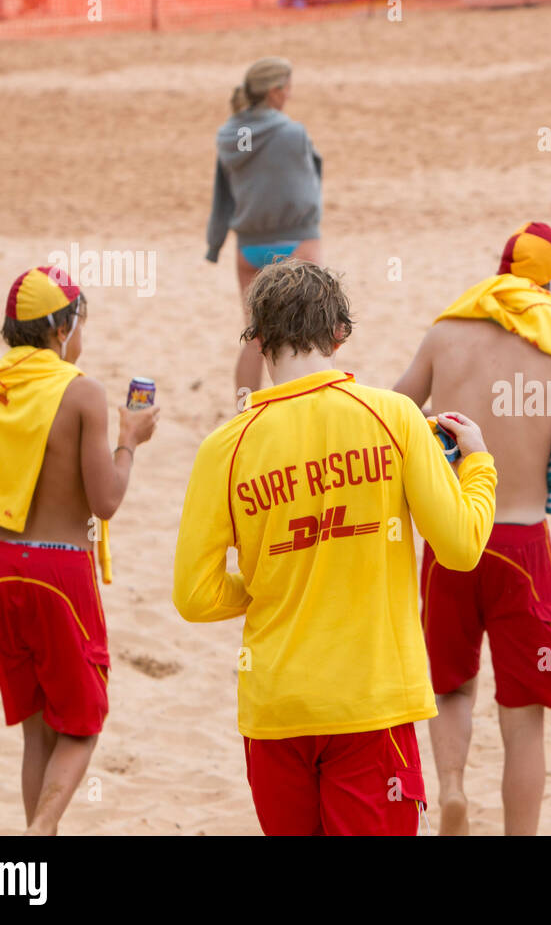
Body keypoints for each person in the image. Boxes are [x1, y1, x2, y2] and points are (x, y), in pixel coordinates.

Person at [173, 259, 497, 836]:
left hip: (276, 709)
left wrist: (269, 582)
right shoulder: (394, 416)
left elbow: (195, 597)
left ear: (260, 341)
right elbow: (461, 547)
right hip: (372, 706)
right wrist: (478, 465)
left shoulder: (224, 447)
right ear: (339, 332)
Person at [0, 265, 160, 834]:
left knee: (36, 731)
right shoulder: (82, 390)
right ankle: (41, 831)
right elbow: (106, 501)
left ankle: (35, 855)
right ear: (60, 328)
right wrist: (129, 441)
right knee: (84, 723)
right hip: (58, 569)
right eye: (80, 323)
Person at [395, 222, 551, 836]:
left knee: (451, 687)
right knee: (523, 713)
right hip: (521, 543)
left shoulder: (446, 331)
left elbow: (396, 416)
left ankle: (452, 788)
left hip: (451, 537)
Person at [205, 57, 323, 401]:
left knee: (256, 336)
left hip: (249, 246)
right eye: (287, 88)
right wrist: (307, 223)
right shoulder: (292, 133)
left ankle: (245, 414)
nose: (289, 94)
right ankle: (304, 410)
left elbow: (222, 192)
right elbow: (308, 186)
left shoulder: (229, 135)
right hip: (296, 239)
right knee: (308, 334)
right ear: (274, 91)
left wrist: (215, 244)